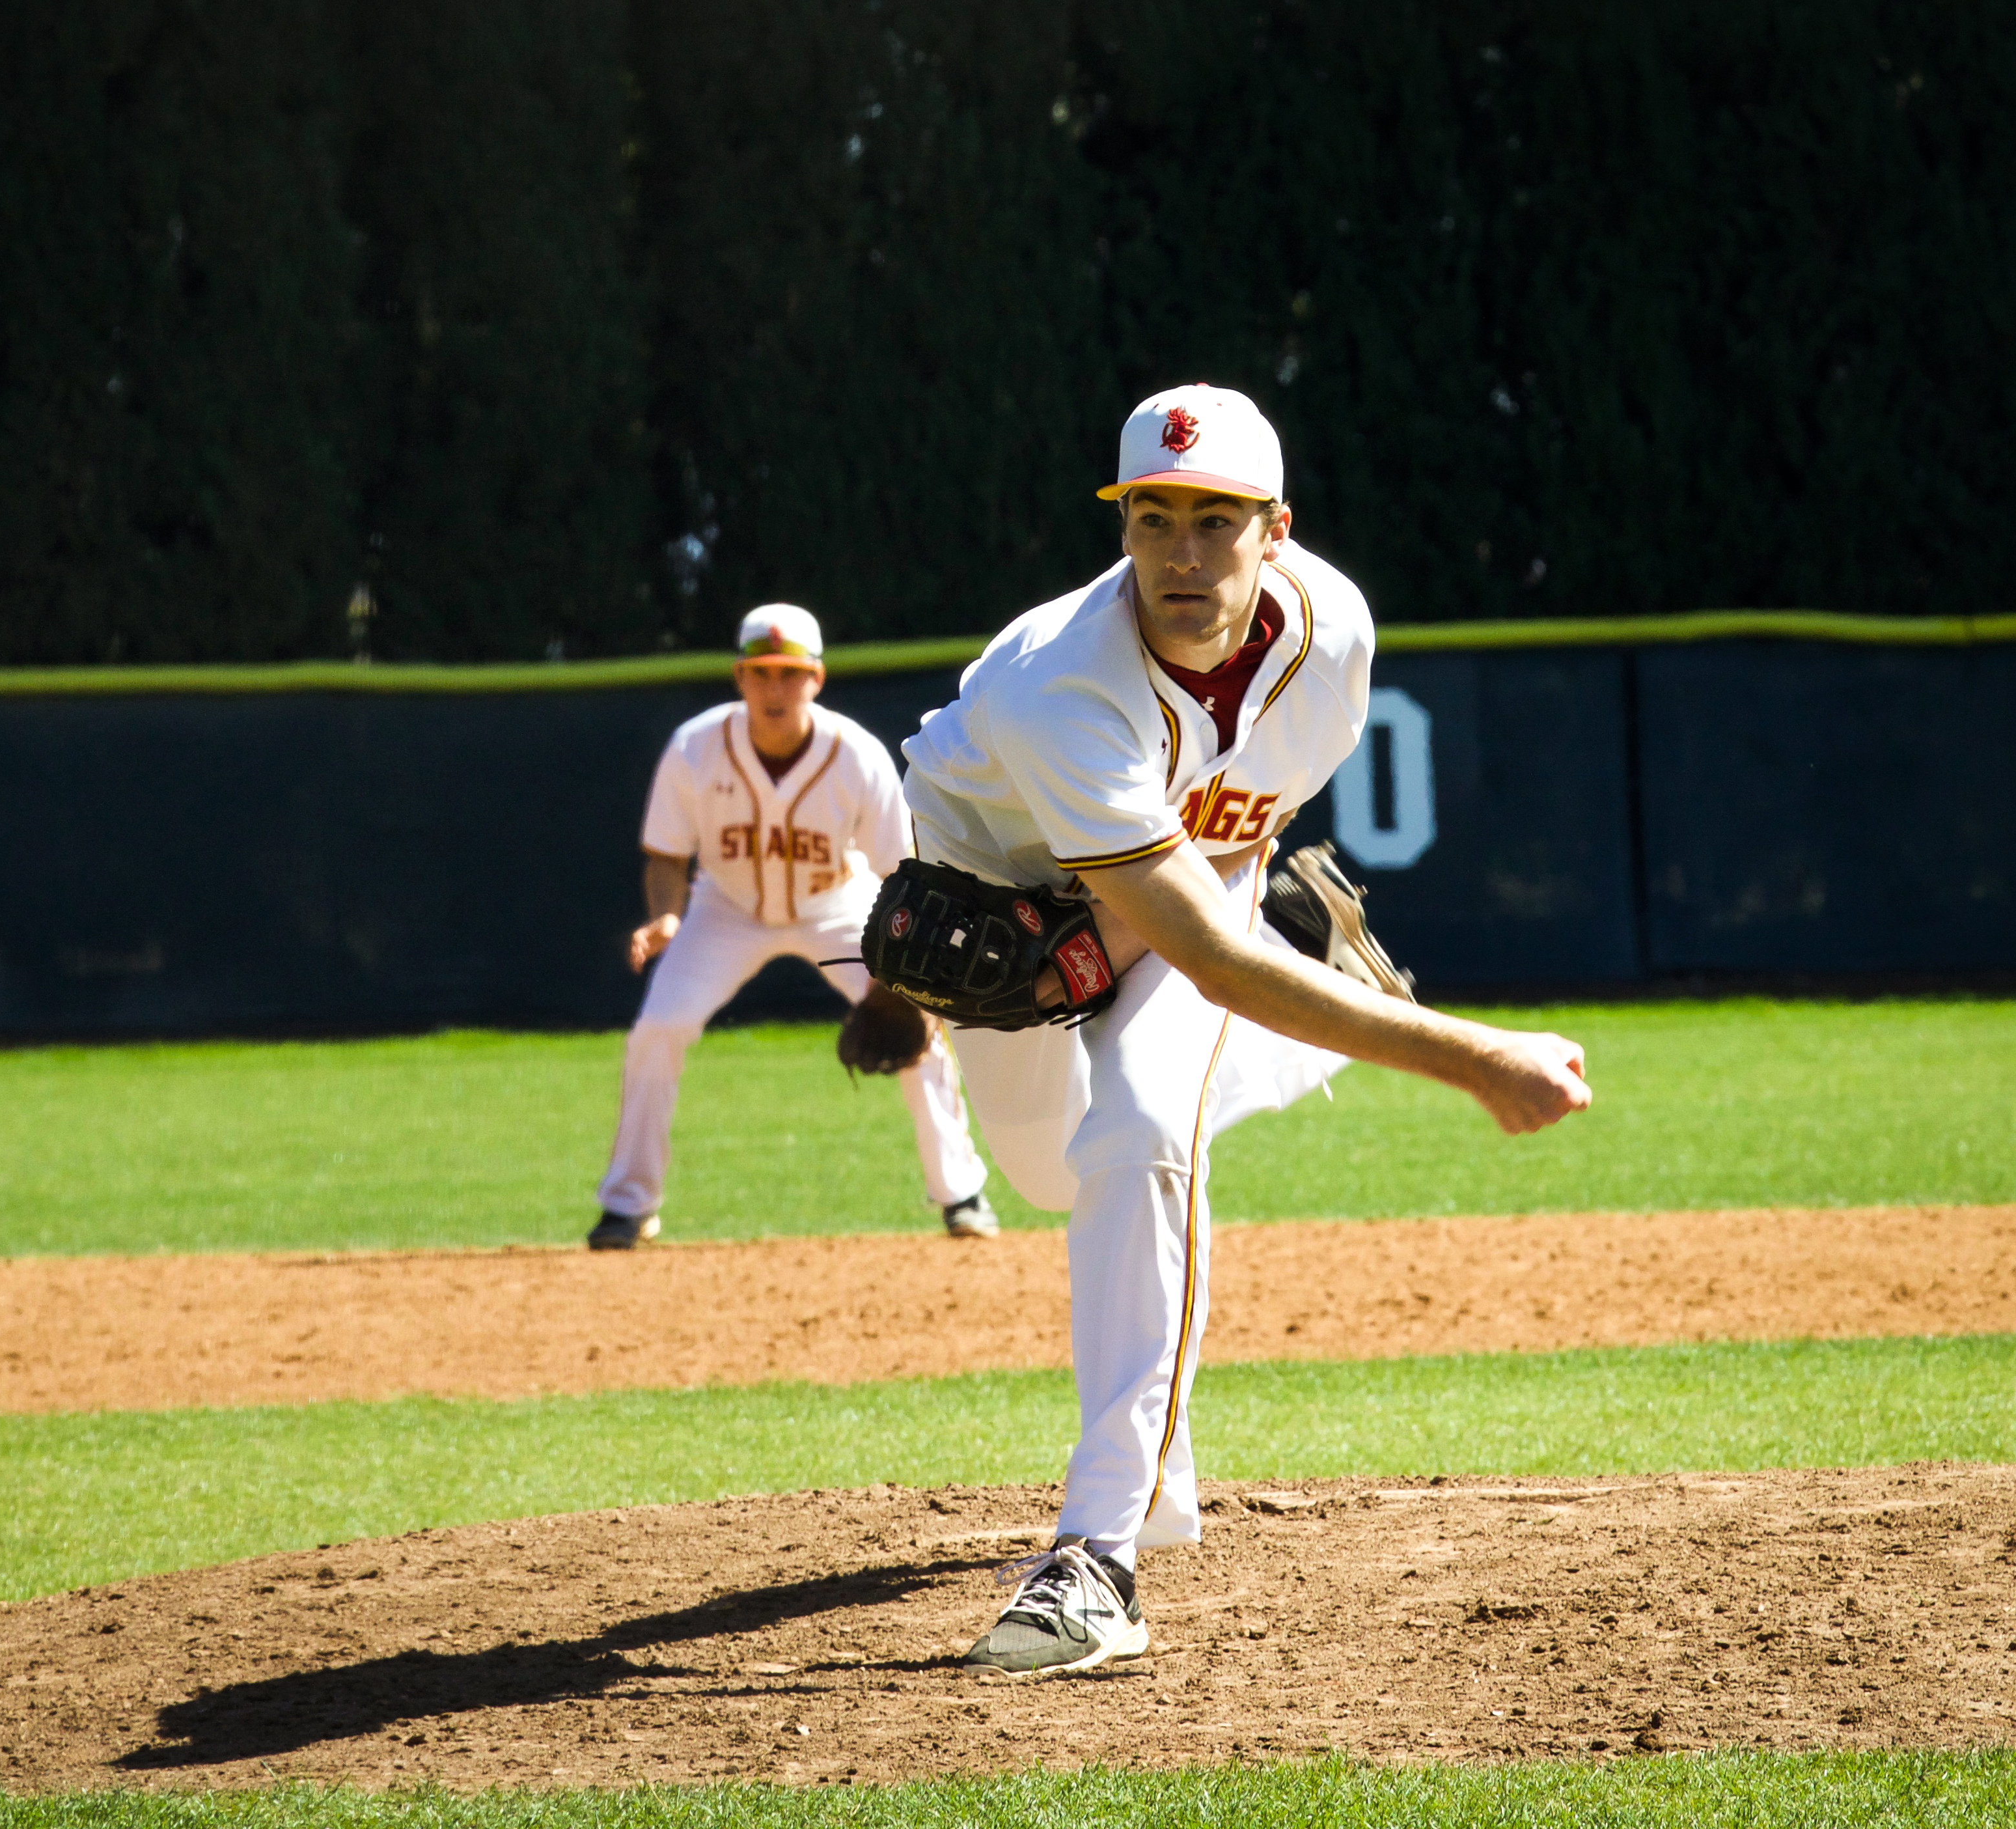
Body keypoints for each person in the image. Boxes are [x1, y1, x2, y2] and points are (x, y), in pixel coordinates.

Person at [897, 384, 1592, 1675]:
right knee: (1054, 1168)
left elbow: (1230, 842)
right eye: (1152, 518)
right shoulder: (1062, 688)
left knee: (1143, 1132)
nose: (1183, 553)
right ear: (1123, 529)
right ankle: (1323, 1009)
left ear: (1277, 529)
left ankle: (1099, 1554)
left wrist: (1193, 920)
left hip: (1171, 892)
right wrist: (1470, 1050)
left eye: (1217, 520)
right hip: (998, 907)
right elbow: (1218, 956)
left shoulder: (1334, 640)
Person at [590, 605, 996, 1250]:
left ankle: (961, 1193)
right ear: (739, 676)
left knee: (918, 1026)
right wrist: (666, 914)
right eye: (760, 673)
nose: (773, 688)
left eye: (789, 673)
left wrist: (900, 971)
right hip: (723, 908)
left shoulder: (856, 756)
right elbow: (667, 853)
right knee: (657, 1030)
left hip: (838, 904)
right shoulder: (696, 747)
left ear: (816, 678)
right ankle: (627, 1205)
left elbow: (900, 873)